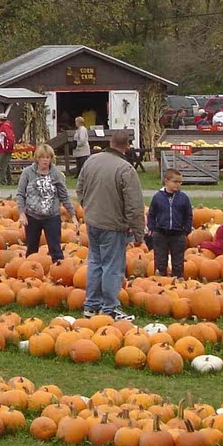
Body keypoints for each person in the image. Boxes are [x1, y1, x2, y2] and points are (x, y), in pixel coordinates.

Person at [77, 130, 144, 321]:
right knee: (112, 267)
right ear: (127, 146)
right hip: (113, 225)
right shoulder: (125, 169)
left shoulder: (91, 161)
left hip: (93, 222)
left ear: (110, 142)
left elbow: (80, 188)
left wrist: (87, 208)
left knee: (95, 263)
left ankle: (91, 306)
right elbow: (134, 204)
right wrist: (139, 233)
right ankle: (110, 308)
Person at [15, 144, 73, 262]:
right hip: (32, 216)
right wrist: (22, 213)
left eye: (48, 157)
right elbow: (21, 194)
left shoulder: (56, 174)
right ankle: (31, 272)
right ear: (37, 158)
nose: (45, 160)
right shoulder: (28, 173)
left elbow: (64, 195)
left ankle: (57, 271)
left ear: (51, 158)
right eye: (42, 157)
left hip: (52, 216)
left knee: (55, 249)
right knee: (31, 249)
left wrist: (73, 214)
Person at [146, 168, 192, 276]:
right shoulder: (158, 197)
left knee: (178, 263)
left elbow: (188, 215)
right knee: (160, 262)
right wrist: (152, 228)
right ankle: (160, 282)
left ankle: (177, 284)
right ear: (166, 181)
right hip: (161, 233)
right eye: (175, 182)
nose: (178, 184)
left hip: (178, 234)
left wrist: (186, 229)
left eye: (180, 182)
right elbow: (151, 214)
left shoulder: (183, 198)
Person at [0, 113, 16, 184]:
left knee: (1, 165)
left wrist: (6, 148)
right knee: (6, 166)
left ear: (0, 120)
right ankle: (9, 181)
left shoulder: (5, 127)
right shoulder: (3, 126)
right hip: (4, 149)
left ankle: (2, 181)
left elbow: (10, 138)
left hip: (5, 150)